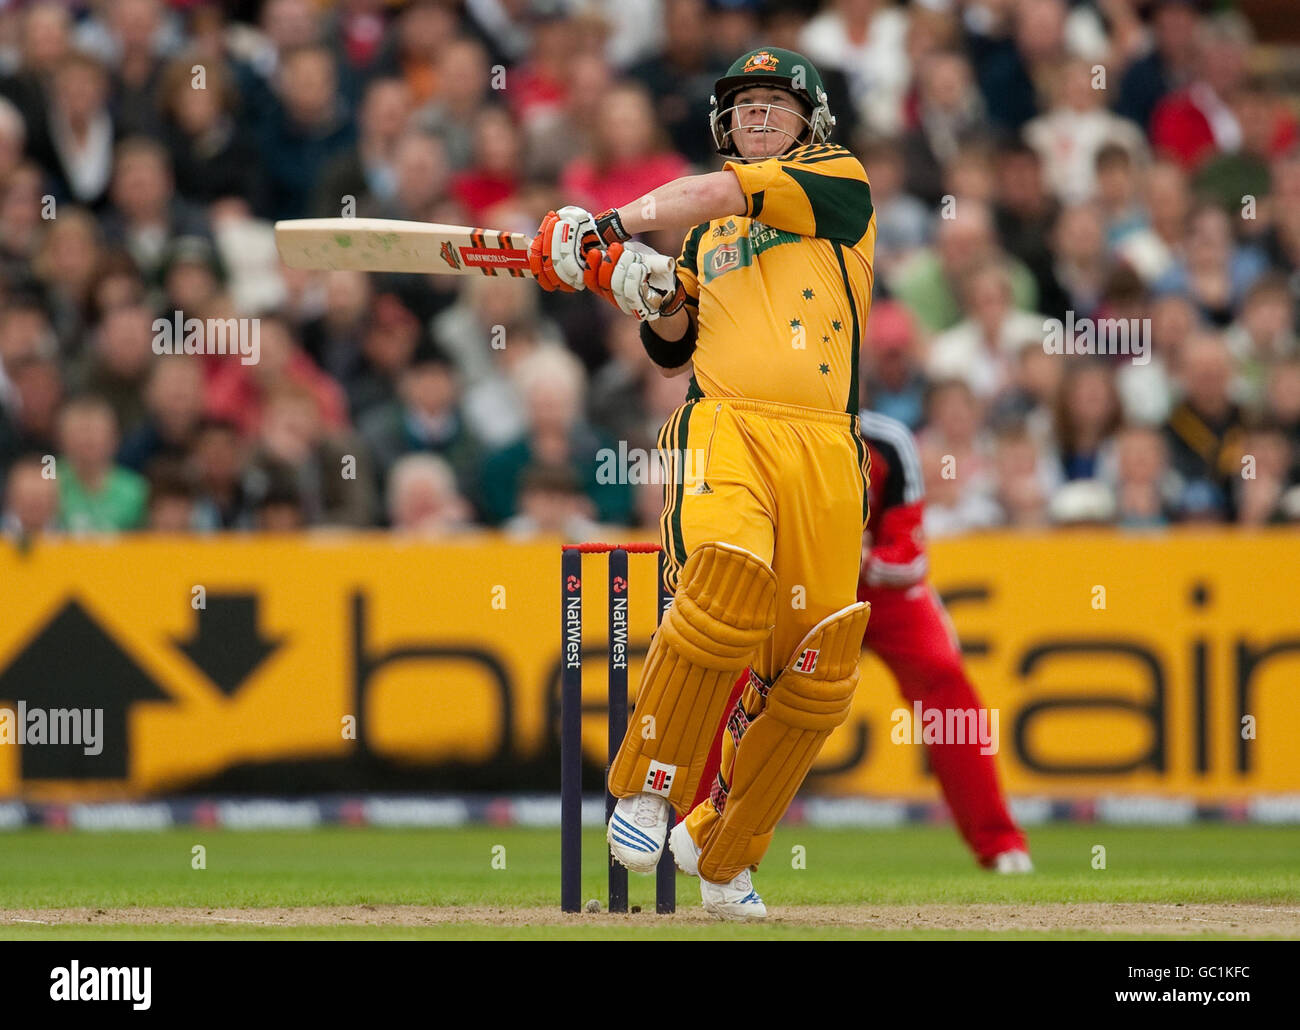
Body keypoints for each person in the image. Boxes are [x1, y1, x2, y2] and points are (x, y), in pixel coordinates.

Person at [529, 47, 875, 920]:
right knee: (725, 584)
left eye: (776, 104)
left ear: (810, 121)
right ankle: (649, 785)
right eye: (745, 105)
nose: (759, 116)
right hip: (726, 427)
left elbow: (719, 191)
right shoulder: (703, 236)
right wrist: (648, 289)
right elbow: (674, 342)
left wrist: (608, 228)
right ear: (727, 121)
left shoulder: (838, 183)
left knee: (819, 672)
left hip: (829, 449)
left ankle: (723, 855)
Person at [690, 411, 1032, 873]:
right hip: (802, 586)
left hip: (879, 592)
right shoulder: (770, 436)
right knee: (739, 689)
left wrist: (852, 559)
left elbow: (910, 558)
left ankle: (1000, 844)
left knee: (945, 681)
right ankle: (697, 831)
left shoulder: (886, 441)